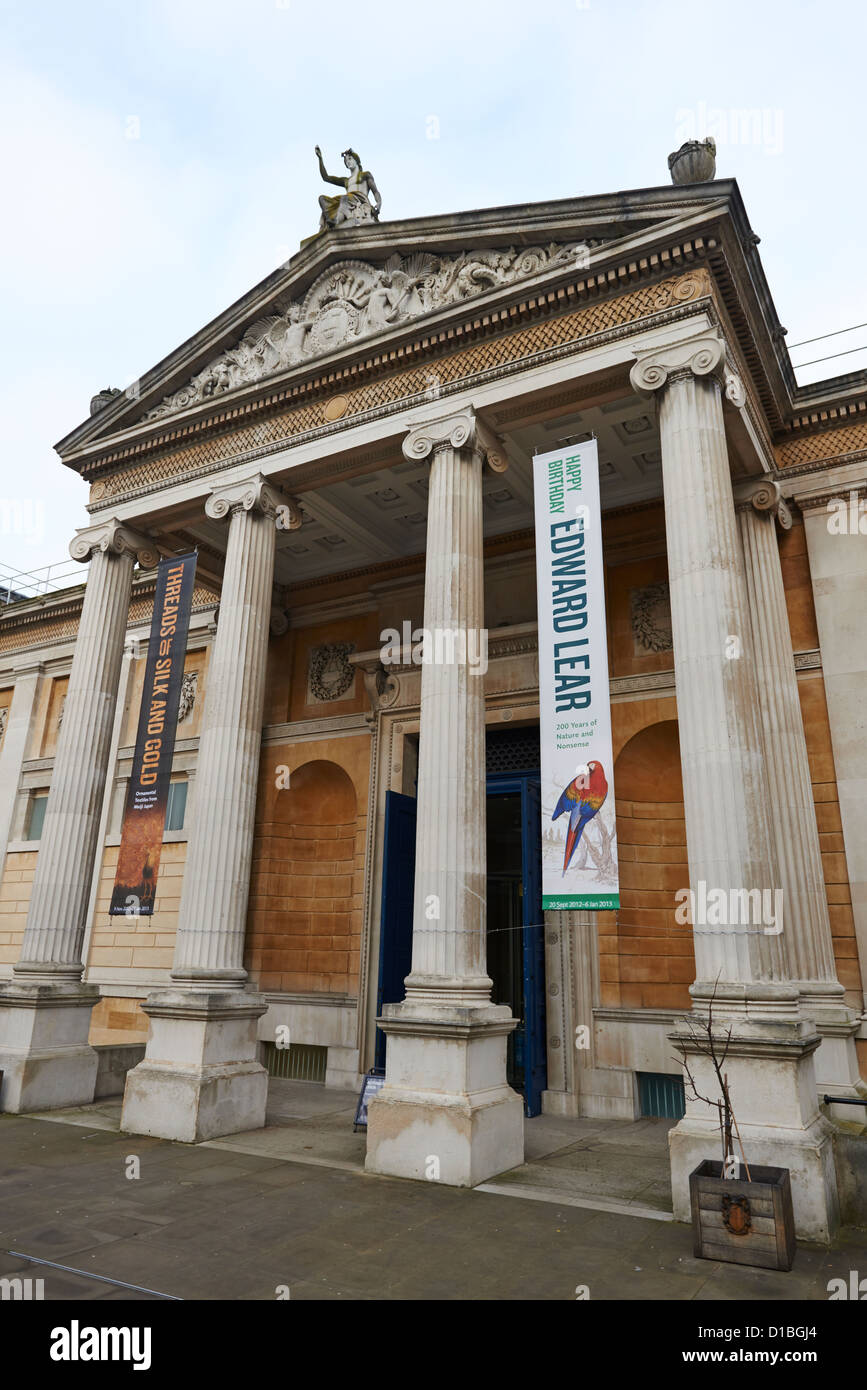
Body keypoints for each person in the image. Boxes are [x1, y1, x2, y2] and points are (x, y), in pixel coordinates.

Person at [315, 146, 381, 229]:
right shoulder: (346, 180)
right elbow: (326, 177)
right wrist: (320, 159)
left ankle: (341, 219)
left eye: (350, 159)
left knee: (345, 198)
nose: (348, 162)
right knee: (322, 199)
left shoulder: (365, 175)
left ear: (356, 161)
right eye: (346, 161)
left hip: (359, 198)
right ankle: (331, 219)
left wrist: (379, 203)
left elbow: (375, 191)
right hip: (347, 199)